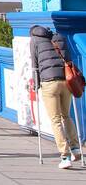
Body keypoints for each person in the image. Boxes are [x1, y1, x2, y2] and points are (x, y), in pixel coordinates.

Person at [30, 24, 81, 168]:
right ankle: (75, 148)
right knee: (66, 116)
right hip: (66, 82)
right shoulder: (60, 37)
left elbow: (35, 66)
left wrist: (36, 85)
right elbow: (69, 61)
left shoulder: (34, 40)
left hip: (49, 83)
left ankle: (65, 156)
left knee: (55, 119)